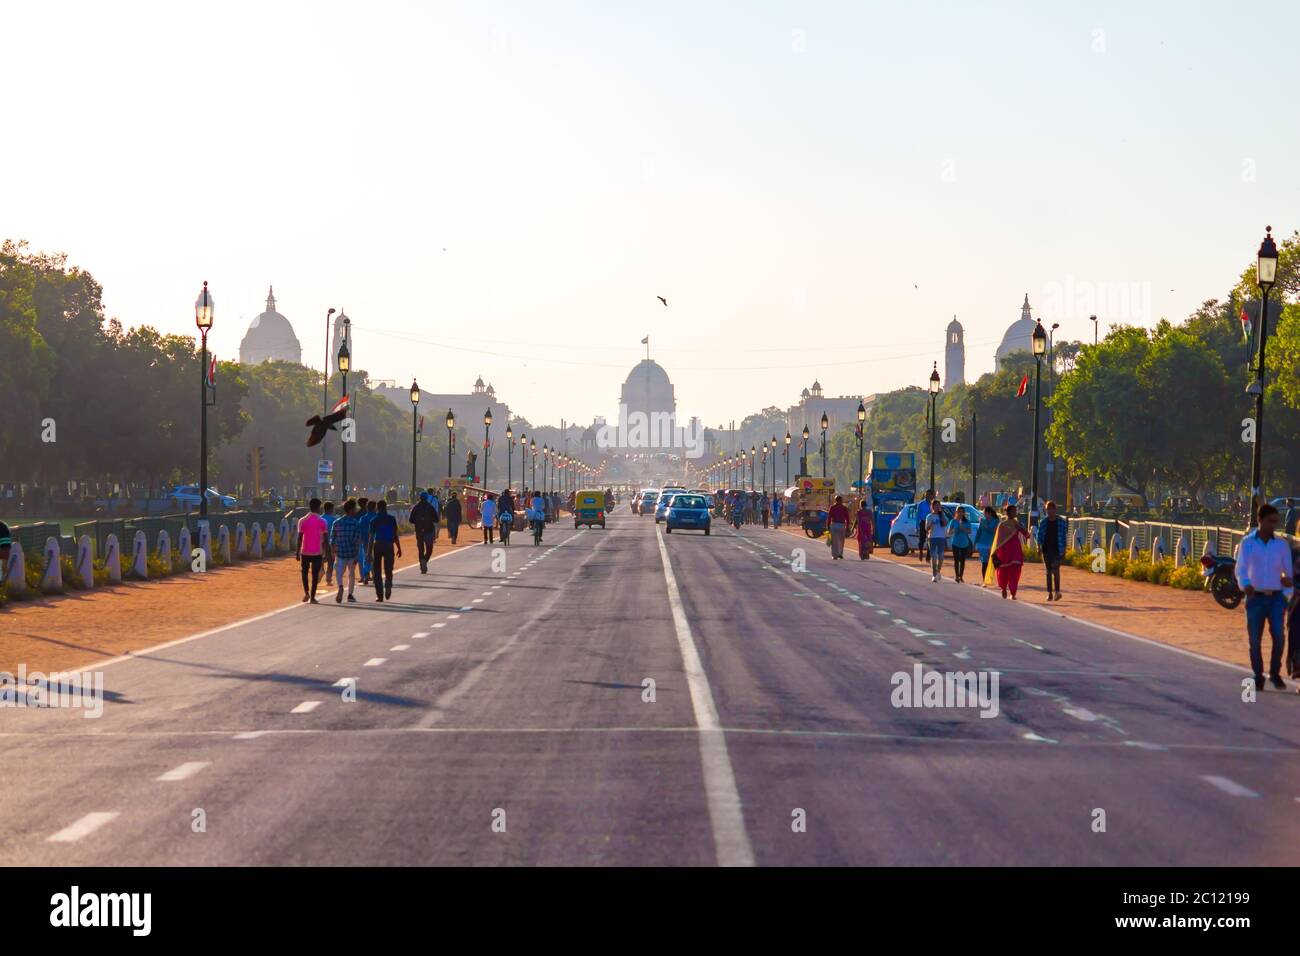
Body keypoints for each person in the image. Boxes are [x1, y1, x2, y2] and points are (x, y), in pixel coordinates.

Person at [1236, 503, 1293, 691]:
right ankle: (1257, 674)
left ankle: (1275, 673)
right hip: (1255, 598)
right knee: (1254, 639)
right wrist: (1246, 586)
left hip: (1276, 598)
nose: (1273, 525)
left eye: (1275, 522)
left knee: (1278, 635)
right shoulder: (1248, 543)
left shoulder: (1281, 545)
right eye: (1270, 521)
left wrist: (1286, 594)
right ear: (1260, 520)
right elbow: (1241, 569)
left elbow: (1288, 574)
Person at [989, 504, 1030, 599]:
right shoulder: (1002, 525)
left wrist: (1021, 528)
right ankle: (1003, 588)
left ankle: (1013, 592)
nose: (1015, 512)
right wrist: (995, 551)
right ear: (1008, 512)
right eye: (1013, 511)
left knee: (1015, 572)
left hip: (1015, 551)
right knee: (1003, 571)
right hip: (1004, 551)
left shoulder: (1017, 524)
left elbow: (1027, 535)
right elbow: (998, 540)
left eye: (1015, 511)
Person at [295, 497, 329, 603]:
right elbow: (326, 539)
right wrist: (326, 553)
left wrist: (297, 552)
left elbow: (300, 537)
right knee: (315, 575)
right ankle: (313, 597)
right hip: (317, 552)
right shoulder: (322, 521)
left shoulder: (302, 520)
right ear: (318, 507)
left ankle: (306, 593)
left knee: (304, 573)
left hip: (304, 551)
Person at [329, 498, 363, 604]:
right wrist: (357, 555)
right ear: (351, 510)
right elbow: (357, 540)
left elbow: (332, 540)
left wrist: (332, 552)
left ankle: (340, 587)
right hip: (351, 552)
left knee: (339, 573)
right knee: (351, 574)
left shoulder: (336, 522)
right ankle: (350, 595)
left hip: (340, 552)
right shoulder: (355, 523)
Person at [369, 500, 402, 602]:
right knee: (388, 570)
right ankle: (388, 585)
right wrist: (399, 548)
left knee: (377, 572)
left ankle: (379, 596)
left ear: (377, 508)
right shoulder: (391, 519)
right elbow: (395, 535)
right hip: (389, 545)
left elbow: (371, 537)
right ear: (386, 507)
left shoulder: (374, 520)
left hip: (378, 545)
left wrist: (368, 552)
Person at [1036, 500, 1068, 601]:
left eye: (1051, 509)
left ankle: (1057, 592)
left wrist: (1065, 550)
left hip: (1057, 549)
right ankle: (1049, 593)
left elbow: (1064, 537)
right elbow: (1039, 536)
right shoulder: (1043, 522)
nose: (1050, 511)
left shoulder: (1061, 522)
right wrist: (1038, 547)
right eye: (1048, 509)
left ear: (1055, 510)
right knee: (1048, 572)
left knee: (1056, 570)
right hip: (1046, 549)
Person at [410, 491, 437, 573]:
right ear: (426, 498)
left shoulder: (416, 507)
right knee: (429, 550)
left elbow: (411, 520)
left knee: (421, 550)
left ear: (420, 498)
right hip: (429, 531)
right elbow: (436, 519)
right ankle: (424, 561)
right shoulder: (430, 507)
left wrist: (418, 522)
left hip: (419, 532)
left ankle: (422, 567)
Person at [947, 507, 973, 584]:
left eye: (962, 512)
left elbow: (969, 531)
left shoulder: (967, 521)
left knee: (962, 560)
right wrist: (954, 530)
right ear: (956, 512)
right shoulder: (953, 521)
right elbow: (948, 532)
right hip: (955, 542)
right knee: (956, 559)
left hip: (964, 543)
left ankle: (961, 576)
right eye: (959, 512)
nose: (960, 513)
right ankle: (957, 576)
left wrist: (963, 529)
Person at [975, 505, 998, 584]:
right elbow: (979, 532)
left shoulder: (995, 521)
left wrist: (983, 522)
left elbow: (990, 530)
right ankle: (984, 580)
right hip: (982, 544)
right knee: (984, 563)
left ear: (989, 513)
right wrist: (975, 542)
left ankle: (990, 578)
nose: (984, 514)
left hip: (991, 544)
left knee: (991, 562)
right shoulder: (983, 521)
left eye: (984, 512)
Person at [924, 502, 947, 582]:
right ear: (932, 506)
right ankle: (934, 574)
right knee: (934, 557)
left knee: (941, 557)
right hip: (932, 538)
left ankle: (938, 572)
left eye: (939, 506)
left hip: (941, 537)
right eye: (936, 506)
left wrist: (942, 516)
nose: (938, 507)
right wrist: (931, 524)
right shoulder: (929, 516)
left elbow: (945, 524)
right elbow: (926, 529)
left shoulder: (942, 515)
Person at [357, 498, 376, 584]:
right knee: (375, 559)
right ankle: (375, 575)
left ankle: (366, 576)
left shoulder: (362, 518)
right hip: (376, 541)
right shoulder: (376, 516)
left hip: (365, 542)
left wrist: (359, 541)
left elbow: (359, 531)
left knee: (366, 559)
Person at [826, 494, 851, 560]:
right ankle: (840, 553)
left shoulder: (832, 507)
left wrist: (828, 526)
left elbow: (829, 517)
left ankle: (835, 555)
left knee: (834, 542)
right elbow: (847, 518)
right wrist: (848, 527)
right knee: (841, 541)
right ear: (841, 501)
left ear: (835, 500)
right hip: (842, 525)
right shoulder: (844, 508)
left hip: (834, 525)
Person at [321, 500, 337, 586]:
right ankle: (328, 578)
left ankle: (321, 570)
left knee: (321, 559)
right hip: (330, 543)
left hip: (321, 542)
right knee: (331, 561)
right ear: (331, 509)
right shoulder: (334, 519)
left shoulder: (320, 518)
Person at [916, 490, 934, 563]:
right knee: (922, 540)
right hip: (923, 522)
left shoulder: (933, 504)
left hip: (931, 523)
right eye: (926, 495)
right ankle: (920, 552)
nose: (928, 496)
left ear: (932, 496)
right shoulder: (921, 504)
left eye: (929, 495)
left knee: (930, 540)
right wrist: (917, 526)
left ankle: (928, 557)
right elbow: (917, 516)